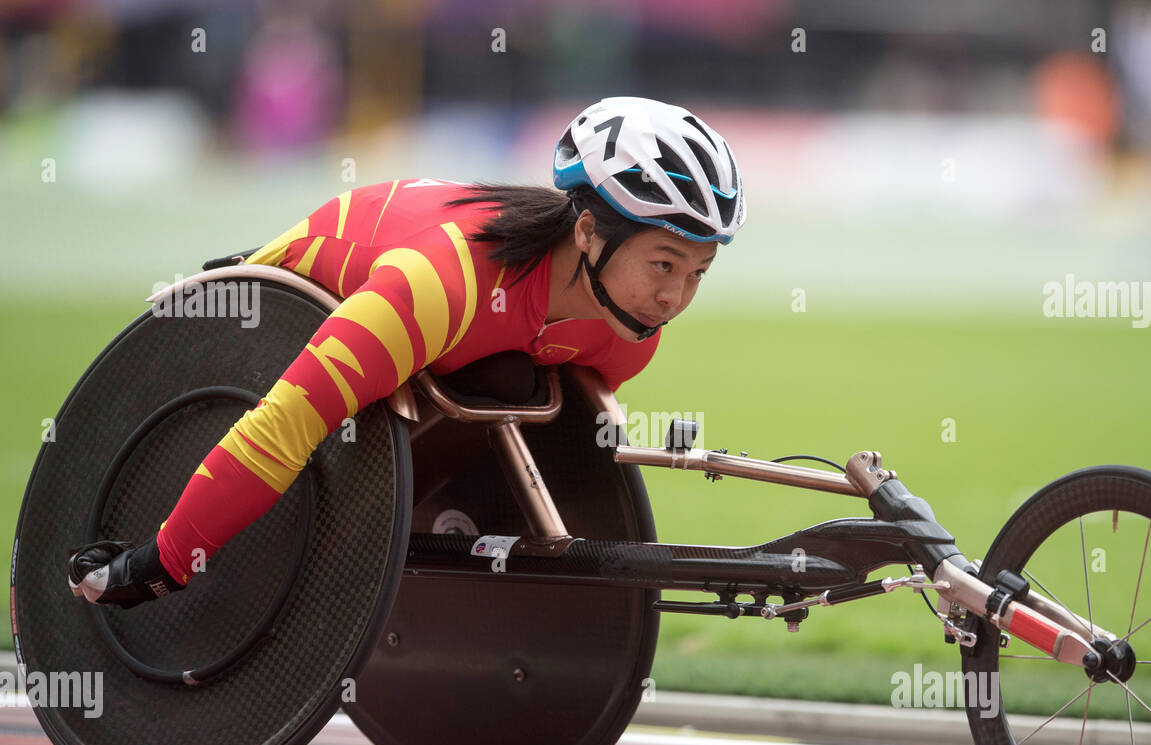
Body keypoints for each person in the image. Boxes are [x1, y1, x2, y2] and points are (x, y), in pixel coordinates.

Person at [67, 95, 746, 609]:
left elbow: (572, 450)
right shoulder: (440, 285)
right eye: (663, 265)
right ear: (591, 231)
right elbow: (284, 425)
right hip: (287, 310)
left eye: (697, 274)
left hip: (456, 341)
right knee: (462, 373)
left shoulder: (625, 338)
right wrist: (163, 564)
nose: (675, 298)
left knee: (511, 374)